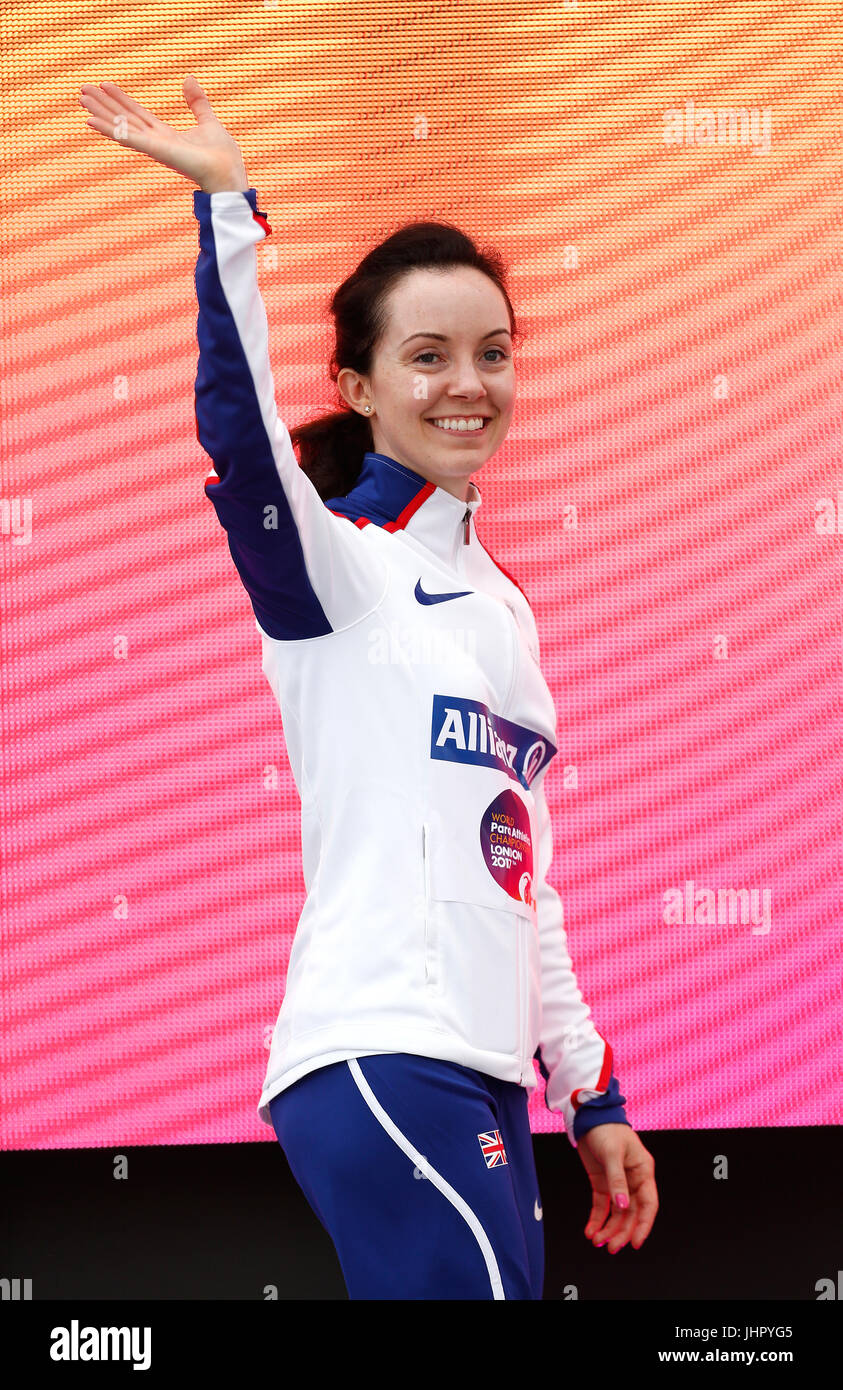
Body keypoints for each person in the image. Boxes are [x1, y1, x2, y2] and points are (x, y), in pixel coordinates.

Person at [78, 75, 658, 1300]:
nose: (469, 384)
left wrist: (588, 1088)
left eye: (493, 354)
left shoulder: (504, 610)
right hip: (379, 1052)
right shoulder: (340, 567)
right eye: (428, 355)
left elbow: (521, 868)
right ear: (356, 385)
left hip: (487, 1072)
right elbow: (238, 444)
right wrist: (228, 211)